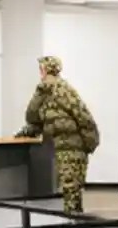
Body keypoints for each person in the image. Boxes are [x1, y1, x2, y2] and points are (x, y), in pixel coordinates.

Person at [16, 56, 99, 214]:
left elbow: (82, 116)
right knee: (72, 189)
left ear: (46, 70)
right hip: (65, 146)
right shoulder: (47, 92)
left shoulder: (61, 89)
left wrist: (91, 142)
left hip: (72, 147)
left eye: (41, 68)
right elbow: (36, 118)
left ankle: (73, 224)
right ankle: (75, 221)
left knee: (71, 188)